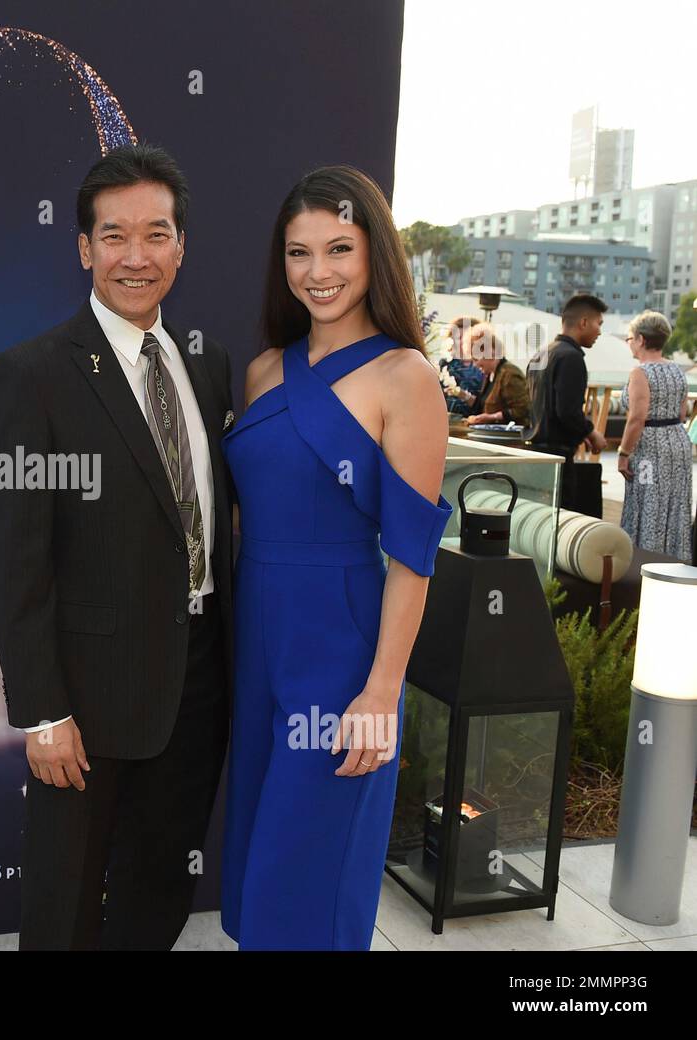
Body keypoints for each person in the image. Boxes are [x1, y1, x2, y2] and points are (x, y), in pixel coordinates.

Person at [0, 144, 234, 950]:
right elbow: (14, 557)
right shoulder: (35, 375)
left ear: (181, 248)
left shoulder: (208, 364)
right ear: (84, 248)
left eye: (156, 234)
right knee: (67, 900)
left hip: (197, 677)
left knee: (161, 886)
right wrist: (43, 711)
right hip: (84, 696)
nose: (136, 255)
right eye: (114, 236)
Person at [219, 164, 452, 951]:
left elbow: (414, 558)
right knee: (259, 865)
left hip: (341, 653)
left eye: (339, 249)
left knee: (308, 876)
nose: (318, 273)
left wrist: (381, 692)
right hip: (257, 643)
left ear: (374, 255)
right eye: (298, 253)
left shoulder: (406, 377)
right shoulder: (261, 372)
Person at [618, 310, 693, 562]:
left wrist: (623, 453)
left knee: (649, 504)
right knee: (675, 505)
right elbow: (682, 413)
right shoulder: (677, 370)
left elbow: (637, 417)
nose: (629, 343)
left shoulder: (640, 373)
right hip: (677, 443)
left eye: (629, 338)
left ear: (640, 339)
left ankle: (644, 562)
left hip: (650, 447)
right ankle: (675, 561)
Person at [527, 294, 608, 514]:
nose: (600, 331)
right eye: (598, 324)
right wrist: (591, 433)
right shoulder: (571, 358)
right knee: (560, 521)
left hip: (534, 455)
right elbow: (568, 412)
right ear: (583, 322)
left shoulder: (540, 354)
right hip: (558, 458)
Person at [461, 322, 531, 426]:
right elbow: (481, 405)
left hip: (508, 437)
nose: (475, 364)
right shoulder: (489, 375)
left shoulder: (510, 374)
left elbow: (523, 409)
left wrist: (492, 417)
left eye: (476, 359)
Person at [440, 315, 485, 418]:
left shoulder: (485, 367)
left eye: (464, 338)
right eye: (456, 338)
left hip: (476, 421)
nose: (459, 342)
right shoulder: (446, 364)